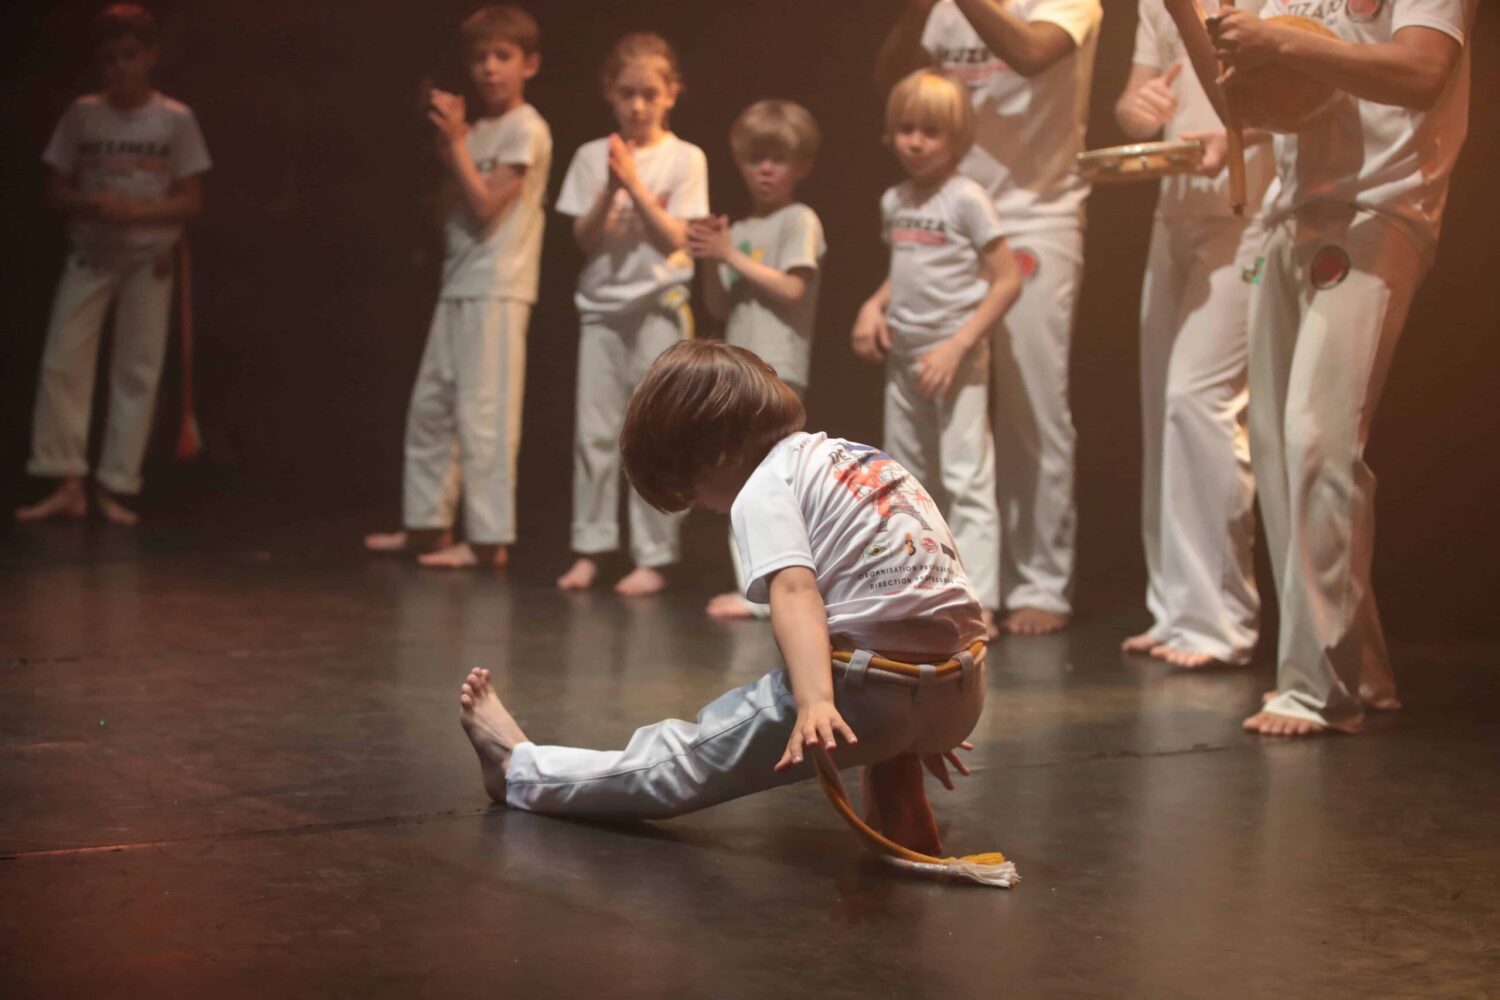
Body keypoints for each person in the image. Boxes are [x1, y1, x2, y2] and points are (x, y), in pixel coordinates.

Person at [459, 341, 986, 858]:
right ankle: (901, 786)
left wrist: (816, 701)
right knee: (871, 660)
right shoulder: (848, 456)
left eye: (692, 487)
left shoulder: (764, 485)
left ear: (714, 454)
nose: (702, 505)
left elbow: (794, 589)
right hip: (960, 695)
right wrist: (932, 715)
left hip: (871, 699)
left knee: (679, 761)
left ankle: (517, 771)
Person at [1170, 0, 1476, 734]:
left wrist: (1276, 39)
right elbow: (1243, 106)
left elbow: (1424, 72)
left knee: (1319, 440)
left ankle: (1320, 688)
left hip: (1381, 210)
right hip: (1292, 211)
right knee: (1281, 453)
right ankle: (1362, 670)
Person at [873, 0, 1103, 635]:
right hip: (946, 202)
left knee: (1033, 400)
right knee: (933, 430)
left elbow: (1030, 53)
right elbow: (895, 83)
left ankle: (1042, 583)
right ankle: (938, 581)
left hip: (1035, 211)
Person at [1112, 0, 1274, 669]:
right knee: (1162, 407)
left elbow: (1307, 105)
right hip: (1175, 208)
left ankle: (1219, 620)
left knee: (1196, 399)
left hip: (1248, 210)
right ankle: (1176, 609)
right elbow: (1129, 106)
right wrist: (1139, 112)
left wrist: (1240, 138)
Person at [363, 5, 552, 569]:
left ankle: (489, 539)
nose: (490, 68)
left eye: (503, 56)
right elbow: (450, 206)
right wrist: (451, 146)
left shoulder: (527, 127)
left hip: (499, 285)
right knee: (432, 407)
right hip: (458, 280)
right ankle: (427, 526)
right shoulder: (476, 130)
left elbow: (489, 204)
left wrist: (453, 145)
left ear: (530, 64)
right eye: (480, 57)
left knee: (485, 414)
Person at [16, 3, 210, 527]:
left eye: (128, 55)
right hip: (92, 252)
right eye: (108, 59)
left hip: (150, 257)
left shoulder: (175, 119)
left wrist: (139, 211)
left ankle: (115, 484)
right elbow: (53, 188)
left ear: (150, 56)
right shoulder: (83, 114)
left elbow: (192, 199)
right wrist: (90, 204)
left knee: (137, 368)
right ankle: (66, 481)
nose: (118, 67)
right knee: (63, 362)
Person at [853, 70, 1022, 639]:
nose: (916, 142)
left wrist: (957, 346)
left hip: (955, 356)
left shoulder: (968, 199)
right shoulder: (894, 200)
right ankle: (918, 592)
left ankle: (980, 602)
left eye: (931, 131)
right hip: (906, 358)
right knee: (906, 479)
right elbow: (903, 273)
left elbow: (1006, 280)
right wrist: (873, 307)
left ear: (957, 138)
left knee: (965, 476)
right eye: (905, 129)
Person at [553, 32, 708, 596]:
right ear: (609, 95)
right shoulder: (592, 156)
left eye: (649, 93)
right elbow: (584, 238)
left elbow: (678, 239)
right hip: (601, 310)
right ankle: (591, 547)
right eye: (627, 94)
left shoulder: (686, 157)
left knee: (656, 433)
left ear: (671, 94)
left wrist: (635, 185)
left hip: (656, 310)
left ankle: (655, 554)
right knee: (595, 433)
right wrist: (608, 188)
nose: (638, 105)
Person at [685, 99, 826, 621]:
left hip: (779, 368)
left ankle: (777, 591)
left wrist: (730, 255)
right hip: (738, 372)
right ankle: (755, 588)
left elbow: (793, 287)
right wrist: (709, 258)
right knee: (737, 479)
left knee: (772, 480)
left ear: (801, 166)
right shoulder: (738, 229)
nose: (766, 170)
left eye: (778, 159)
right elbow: (720, 305)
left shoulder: (799, 219)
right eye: (755, 159)